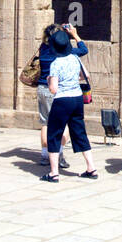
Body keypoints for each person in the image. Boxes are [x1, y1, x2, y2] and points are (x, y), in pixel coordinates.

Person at [42, 28, 97, 183]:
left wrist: (48, 80)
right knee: (79, 132)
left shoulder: (56, 63)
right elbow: (86, 75)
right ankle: (91, 167)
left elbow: (53, 88)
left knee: (53, 134)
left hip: (62, 100)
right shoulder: (75, 58)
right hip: (77, 98)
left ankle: (54, 173)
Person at [36, 23, 86, 168]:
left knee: (45, 123)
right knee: (62, 124)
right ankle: (59, 154)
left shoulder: (43, 48)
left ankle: (45, 155)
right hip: (58, 90)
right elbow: (83, 49)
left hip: (42, 88)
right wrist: (74, 34)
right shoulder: (64, 52)